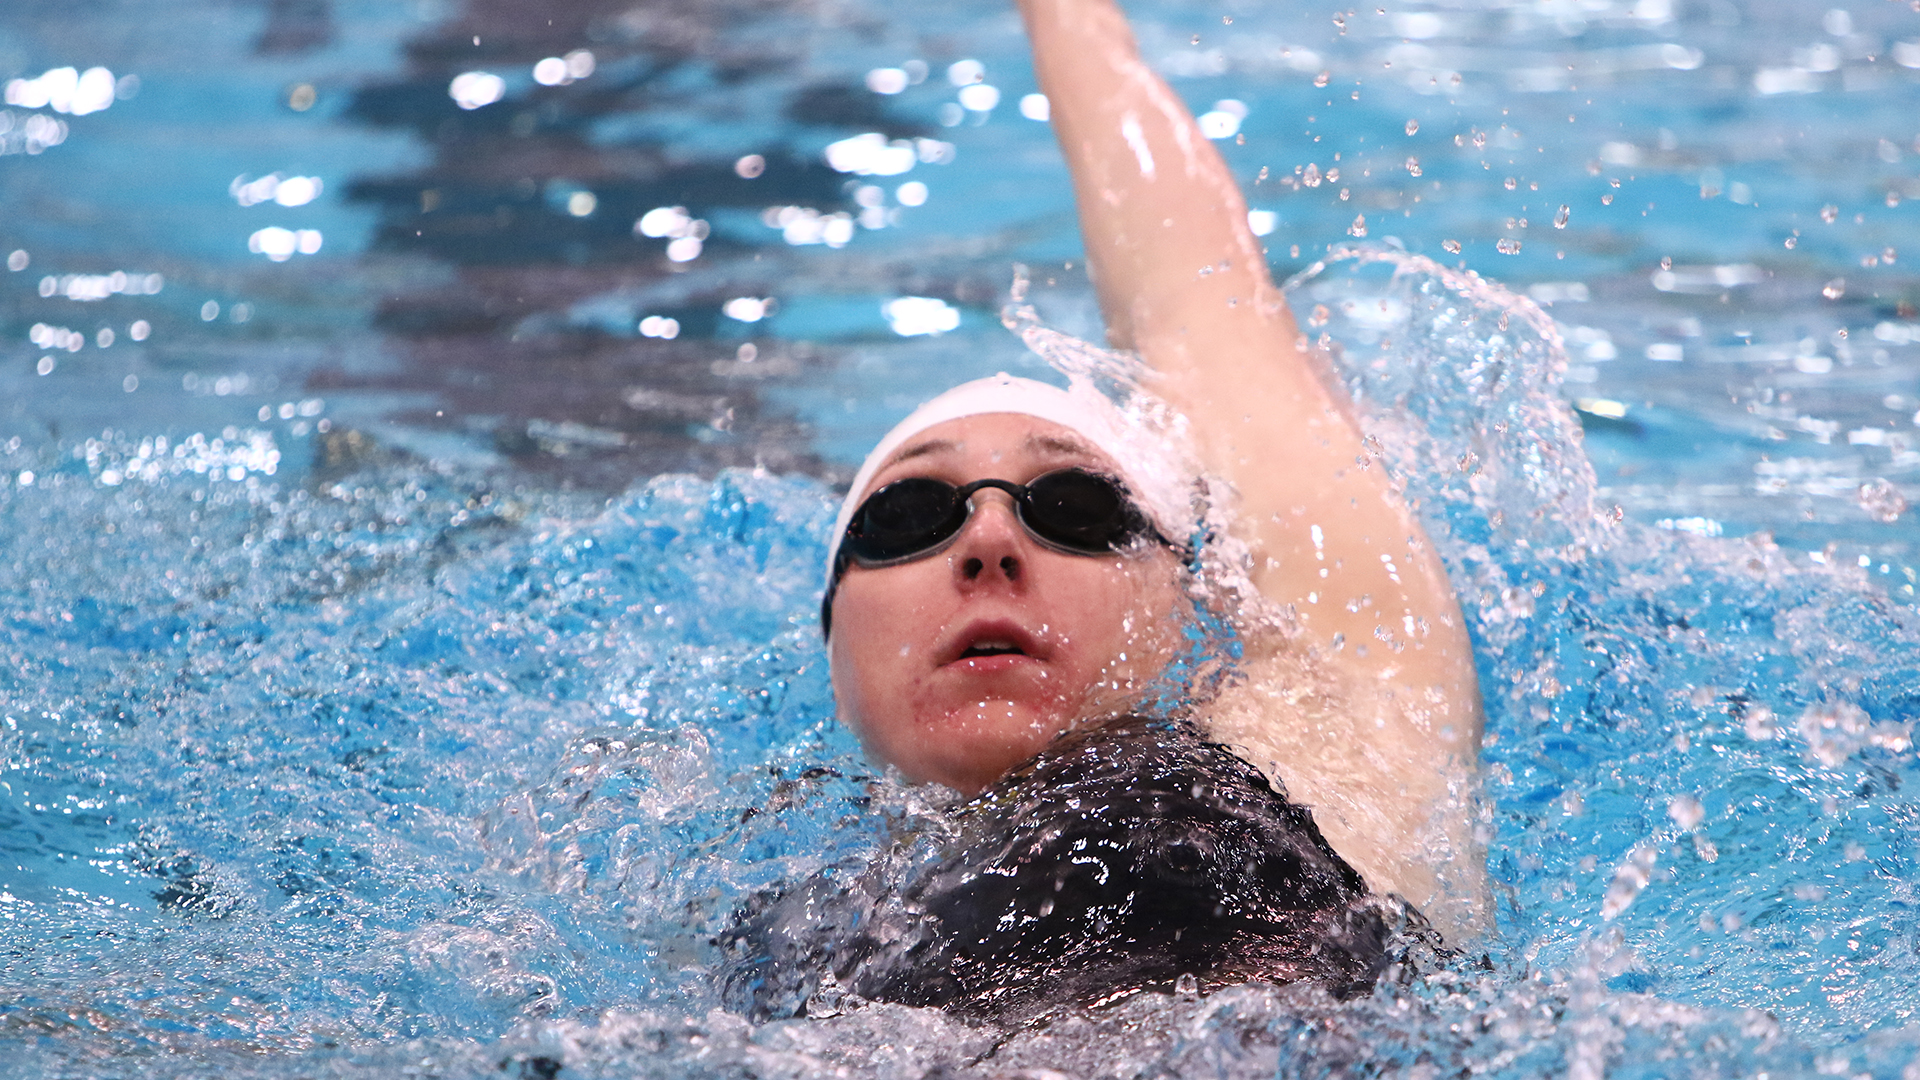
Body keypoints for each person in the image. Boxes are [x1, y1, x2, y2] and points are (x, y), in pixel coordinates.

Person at [818, 0, 1490, 960]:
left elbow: (1206, 317)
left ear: (1189, 608)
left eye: (1077, 510)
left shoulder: (1337, 763)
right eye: (910, 516)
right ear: (834, 659)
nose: (989, 544)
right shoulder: (781, 918)